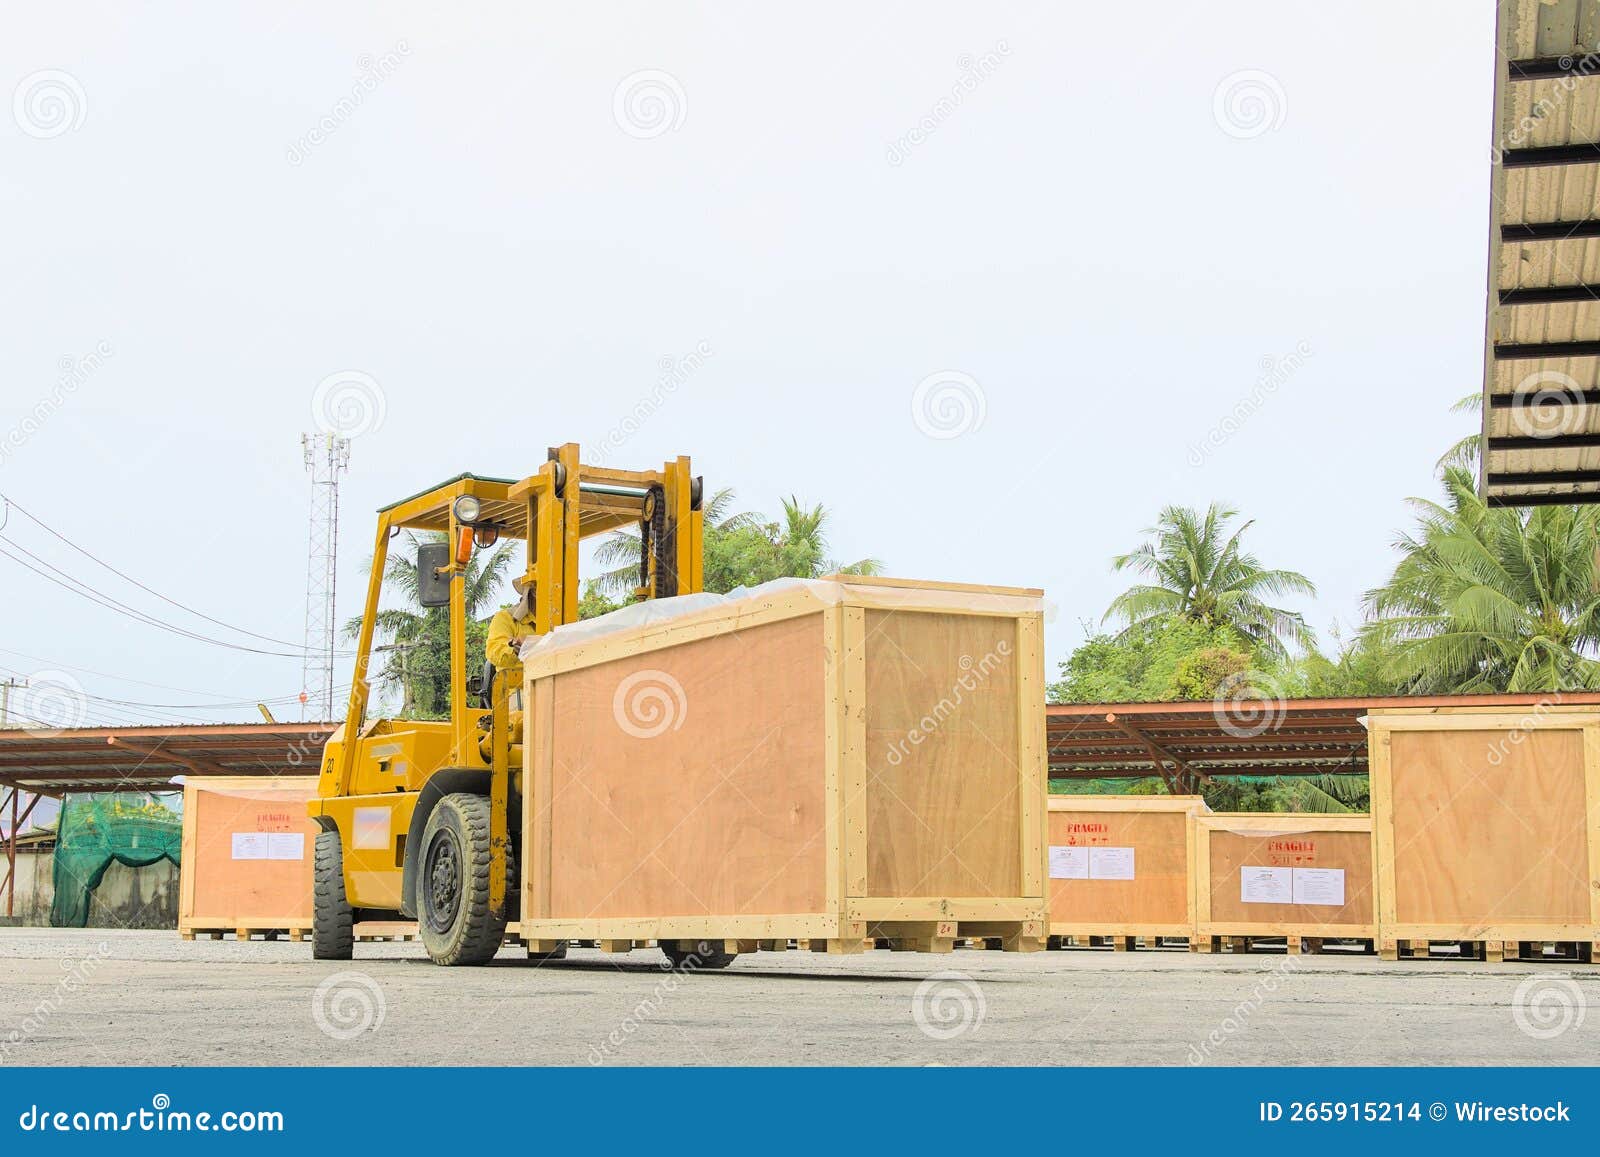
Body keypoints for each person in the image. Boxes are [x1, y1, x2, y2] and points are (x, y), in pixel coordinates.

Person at [485, 575, 537, 672]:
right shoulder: (505, 618)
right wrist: (516, 649)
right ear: (534, 592)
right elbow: (494, 652)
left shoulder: (557, 622)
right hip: (517, 684)